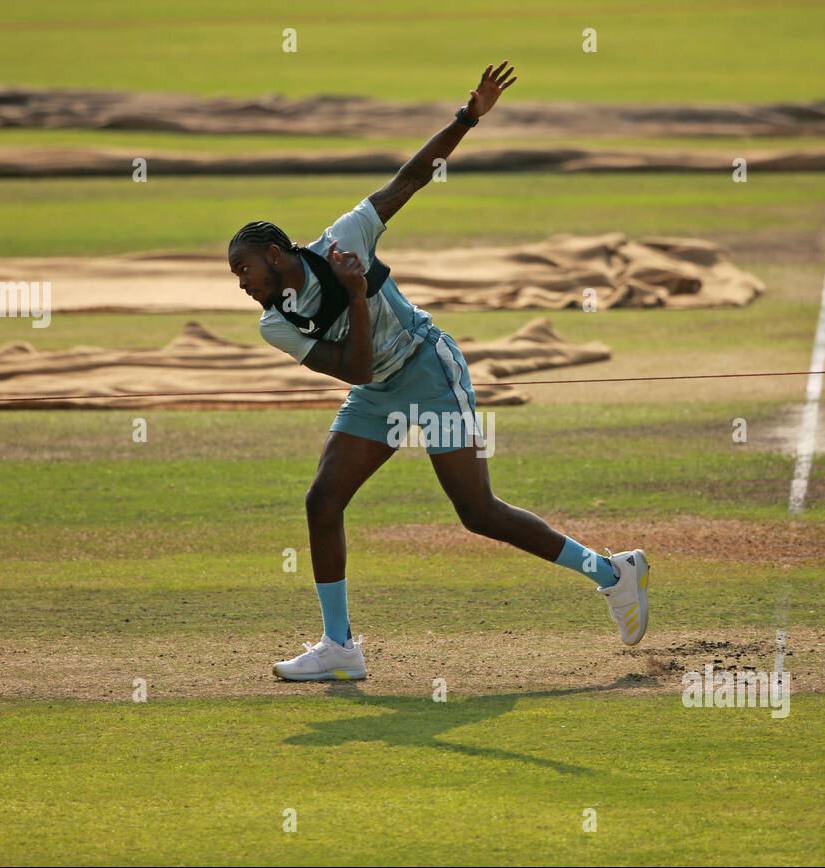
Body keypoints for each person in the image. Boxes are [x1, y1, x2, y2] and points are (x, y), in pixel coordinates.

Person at [227, 62, 649, 681]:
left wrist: (467, 117)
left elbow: (412, 177)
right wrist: (357, 296)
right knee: (323, 500)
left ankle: (614, 573)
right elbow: (357, 367)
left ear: (273, 254)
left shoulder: (345, 239)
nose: (241, 286)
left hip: (428, 370)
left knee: (477, 511)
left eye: (243, 271)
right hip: (376, 387)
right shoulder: (274, 324)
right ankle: (339, 648)